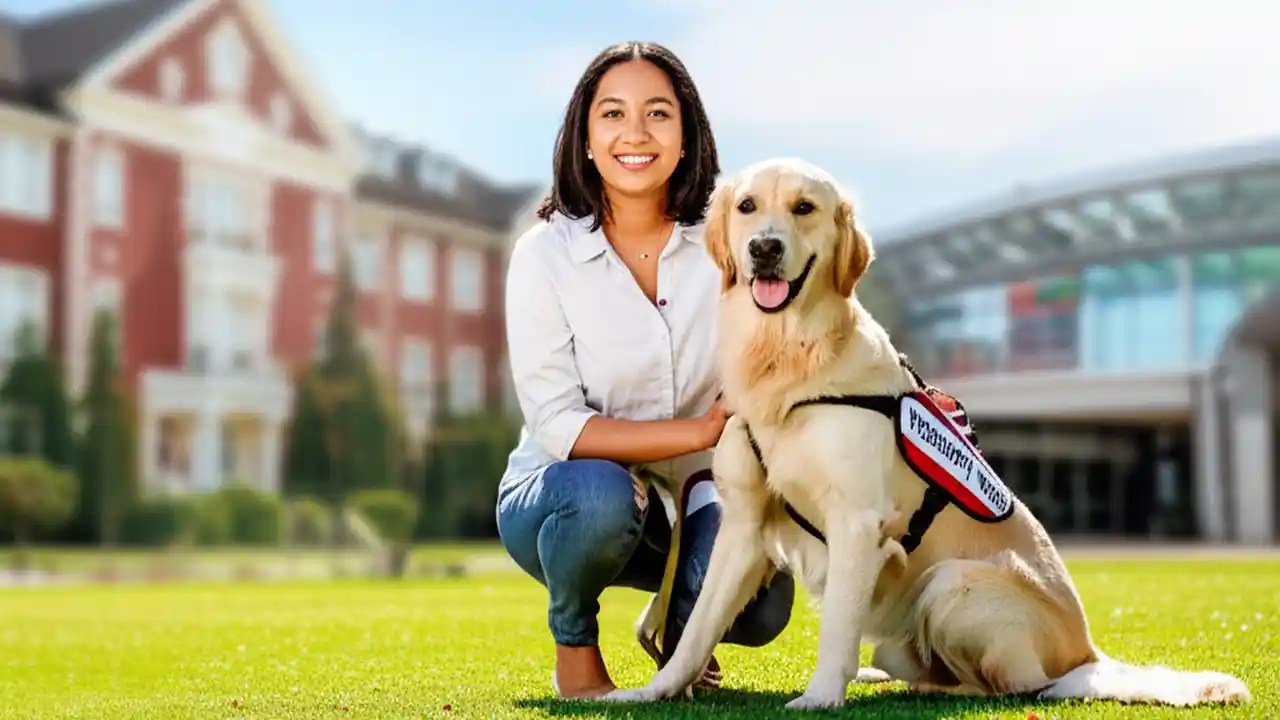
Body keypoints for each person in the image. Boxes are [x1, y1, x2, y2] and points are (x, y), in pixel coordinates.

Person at [496, 41, 795, 699]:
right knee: (601, 493)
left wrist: (908, 392)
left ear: (687, 136)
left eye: (658, 113)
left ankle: (679, 634)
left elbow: (814, 316)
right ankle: (575, 646)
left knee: (766, 601)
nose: (635, 133)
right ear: (585, 138)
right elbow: (559, 425)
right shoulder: (544, 256)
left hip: (687, 499)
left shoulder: (732, 238)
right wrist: (698, 432)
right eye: (612, 115)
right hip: (560, 499)